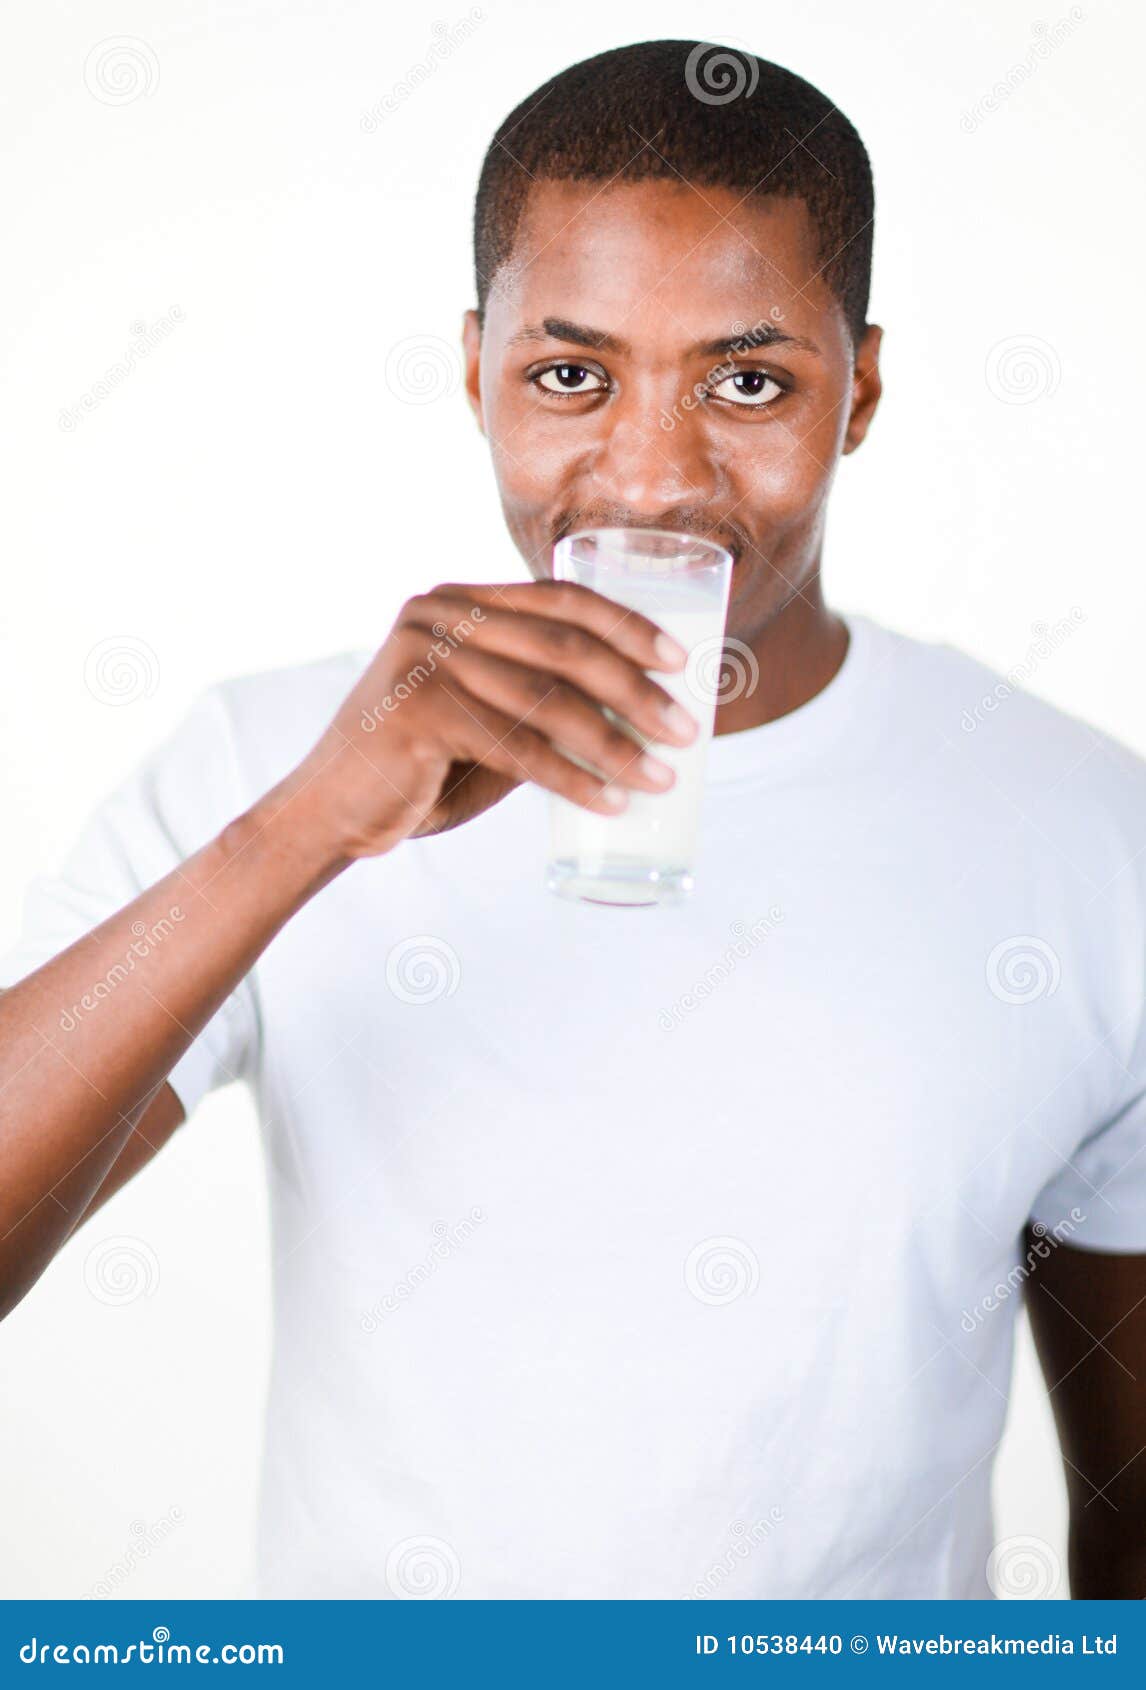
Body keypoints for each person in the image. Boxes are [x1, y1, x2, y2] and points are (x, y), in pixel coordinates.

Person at [2, 39, 1144, 1601]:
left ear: (858, 391)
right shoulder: (266, 763)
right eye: (568, 374)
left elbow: (1133, 1512)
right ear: (476, 368)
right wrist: (307, 829)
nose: (654, 477)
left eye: (748, 381)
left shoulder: (1087, 839)